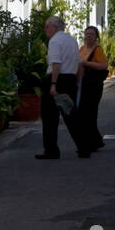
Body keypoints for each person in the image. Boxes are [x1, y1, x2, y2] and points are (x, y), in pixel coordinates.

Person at [36, 15, 90, 160]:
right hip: (70, 79)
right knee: (71, 115)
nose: (45, 29)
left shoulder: (54, 41)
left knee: (49, 117)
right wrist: (77, 80)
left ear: (55, 27)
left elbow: (56, 64)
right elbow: (79, 62)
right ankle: (83, 147)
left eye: (47, 26)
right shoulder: (72, 40)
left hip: (57, 79)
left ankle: (51, 150)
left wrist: (53, 84)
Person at [76, 26, 109, 151]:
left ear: (96, 37)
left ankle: (92, 142)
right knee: (82, 113)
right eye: (87, 33)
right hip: (83, 84)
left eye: (91, 34)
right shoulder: (82, 49)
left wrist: (87, 63)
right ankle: (92, 141)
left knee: (89, 113)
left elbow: (104, 65)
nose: (88, 36)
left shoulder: (97, 50)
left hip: (93, 85)